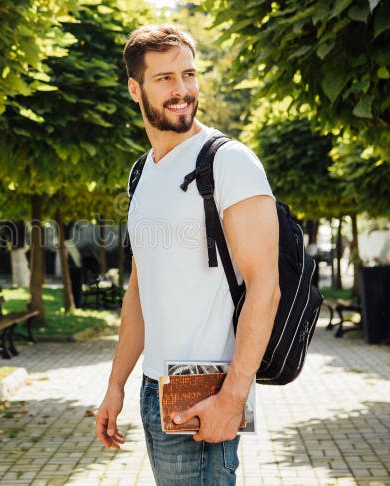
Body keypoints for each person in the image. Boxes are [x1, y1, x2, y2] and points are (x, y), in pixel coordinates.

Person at [95, 24, 280, 485]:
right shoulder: (142, 174)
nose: (182, 90)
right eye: (165, 79)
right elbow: (141, 287)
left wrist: (233, 398)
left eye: (189, 75)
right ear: (135, 88)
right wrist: (116, 385)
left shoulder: (228, 161)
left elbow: (266, 286)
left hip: (204, 388)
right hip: (154, 388)